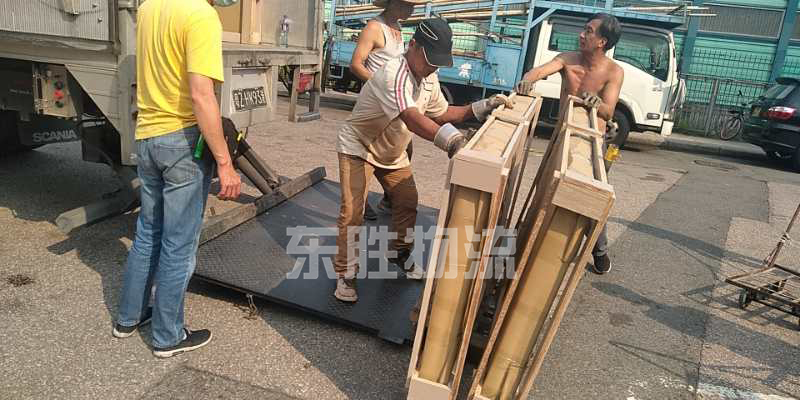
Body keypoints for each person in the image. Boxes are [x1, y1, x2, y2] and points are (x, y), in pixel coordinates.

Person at [334, 17, 512, 302]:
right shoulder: (393, 72)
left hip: (392, 151)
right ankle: (345, 274)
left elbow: (439, 113)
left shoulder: (429, 76)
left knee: (406, 202)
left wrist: (481, 107)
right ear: (413, 45)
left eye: (438, 62)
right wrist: (451, 141)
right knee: (353, 212)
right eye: (429, 60)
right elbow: (413, 119)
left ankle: (399, 255)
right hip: (359, 147)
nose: (433, 67)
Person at [112, 0, 242, 358]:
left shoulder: (151, 7)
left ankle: (129, 317)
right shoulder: (200, 15)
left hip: (148, 135)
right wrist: (225, 163)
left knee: (147, 233)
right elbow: (202, 95)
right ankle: (167, 337)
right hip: (180, 141)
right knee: (178, 244)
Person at [515, 13, 623, 275]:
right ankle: (534, 246)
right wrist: (528, 80)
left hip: (592, 145)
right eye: (584, 29)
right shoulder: (568, 60)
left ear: (602, 41)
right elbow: (541, 70)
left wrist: (599, 106)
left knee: (591, 200)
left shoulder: (613, 72)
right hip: (563, 138)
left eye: (589, 31)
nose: (582, 35)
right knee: (547, 190)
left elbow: (609, 109)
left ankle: (599, 250)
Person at [350, 0, 428, 221]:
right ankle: (362, 201)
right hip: (376, 105)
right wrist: (379, 84)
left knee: (404, 148)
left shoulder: (398, 28)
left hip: (393, 105)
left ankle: (387, 198)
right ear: (393, 3)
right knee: (368, 154)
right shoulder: (375, 27)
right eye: (407, 5)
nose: (411, 10)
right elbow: (356, 64)